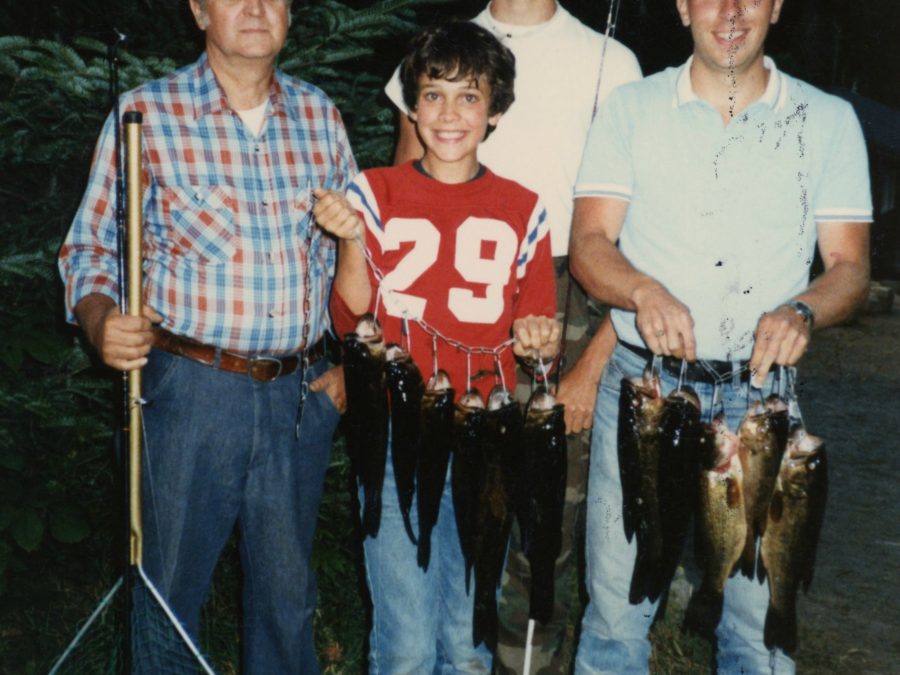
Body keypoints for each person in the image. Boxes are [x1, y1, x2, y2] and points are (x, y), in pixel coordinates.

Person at [568, 0, 871, 673]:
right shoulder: (630, 108)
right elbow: (588, 245)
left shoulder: (828, 120)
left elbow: (849, 269)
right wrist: (641, 289)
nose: (730, 11)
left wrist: (804, 310)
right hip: (647, 394)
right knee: (617, 616)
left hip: (761, 405)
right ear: (682, 6)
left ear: (778, 6)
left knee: (759, 630)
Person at [58, 0, 355, 670]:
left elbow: (356, 258)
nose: (255, 7)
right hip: (191, 392)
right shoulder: (144, 115)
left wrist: (352, 364)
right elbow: (89, 251)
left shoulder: (319, 116)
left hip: (300, 396)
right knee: (167, 592)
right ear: (198, 9)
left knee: (287, 600)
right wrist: (101, 318)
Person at [385, 2, 641, 670]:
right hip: (452, 313)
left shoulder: (612, 62)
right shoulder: (438, 49)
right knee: (457, 511)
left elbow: (639, 233)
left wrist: (590, 366)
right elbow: (402, 208)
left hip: (563, 298)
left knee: (543, 524)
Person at [314, 22, 561, 673]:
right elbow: (352, 316)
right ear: (412, 107)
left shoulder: (525, 208)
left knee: (466, 634)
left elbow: (538, 332)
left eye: (469, 97)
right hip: (397, 431)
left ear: (497, 111)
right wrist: (347, 240)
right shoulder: (375, 191)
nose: (449, 114)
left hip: (484, 436)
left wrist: (539, 337)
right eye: (433, 95)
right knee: (406, 638)